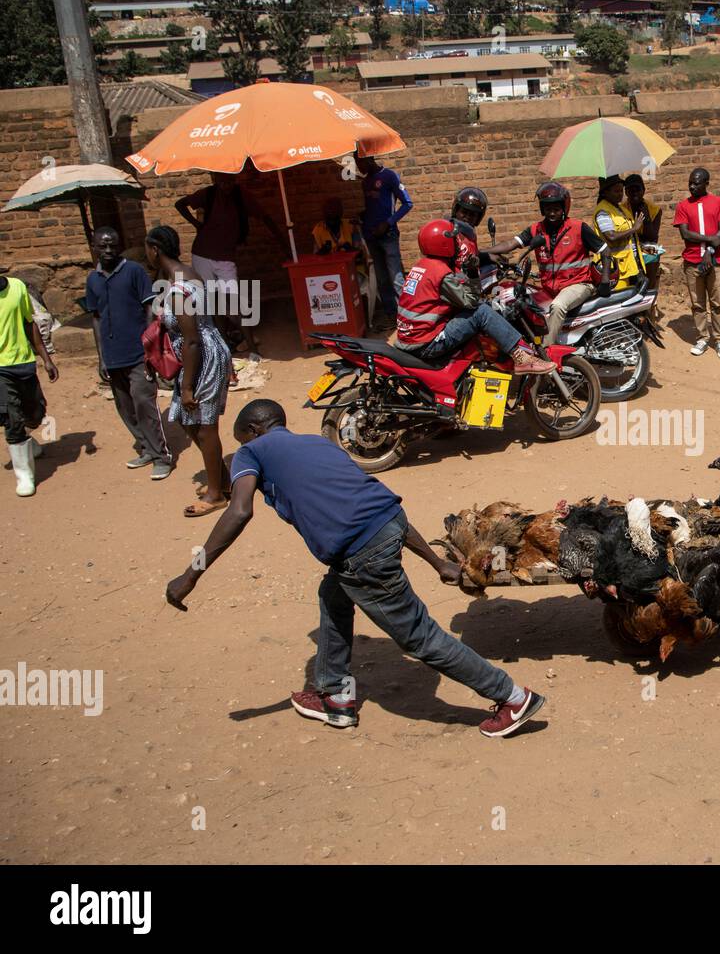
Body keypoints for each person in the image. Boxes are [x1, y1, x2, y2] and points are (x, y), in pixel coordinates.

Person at [164, 398, 547, 737]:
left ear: (253, 431)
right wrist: (434, 563)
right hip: (390, 524)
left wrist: (192, 573)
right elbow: (375, 503)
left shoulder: (253, 452)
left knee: (419, 637)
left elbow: (239, 510)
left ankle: (512, 697)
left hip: (361, 553)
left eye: (244, 440)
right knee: (334, 594)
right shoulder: (315, 443)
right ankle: (335, 697)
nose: (245, 448)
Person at [145, 225, 233, 518]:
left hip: (201, 357)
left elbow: (192, 339)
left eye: (147, 248)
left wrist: (186, 387)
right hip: (206, 351)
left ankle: (216, 494)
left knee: (205, 427)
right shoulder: (188, 273)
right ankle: (221, 479)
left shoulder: (178, 288)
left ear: (155, 250)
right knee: (186, 419)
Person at [395, 219, 555, 374]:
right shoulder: (441, 273)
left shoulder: (421, 266)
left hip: (408, 338)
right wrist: (473, 274)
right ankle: (521, 357)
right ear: (444, 244)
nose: (458, 243)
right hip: (425, 344)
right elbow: (471, 302)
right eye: (454, 240)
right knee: (482, 312)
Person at [85, 227, 173, 480]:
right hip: (112, 356)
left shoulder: (134, 271)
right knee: (124, 406)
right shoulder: (93, 279)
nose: (109, 250)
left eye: (113, 244)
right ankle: (145, 447)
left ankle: (161, 457)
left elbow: (150, 309)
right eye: (103, 246)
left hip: (137, 353)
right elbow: (96, 318)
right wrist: (101, 357)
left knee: (143, 401)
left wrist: (149, 345)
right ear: (94, 247)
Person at [483, 181, 611, 345]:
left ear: (564, 209)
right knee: (520, 304)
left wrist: (605, 280)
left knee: (557, 306)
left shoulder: (579, 228)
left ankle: (548, 353)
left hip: (579, 284)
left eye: (556, 209)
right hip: (549, 288)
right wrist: (480, 252)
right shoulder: (536, 229)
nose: (552, 213)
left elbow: (605, 250)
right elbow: (509, 245)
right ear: (542, 209)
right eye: (548, 209)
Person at [175, 171, 289, 354]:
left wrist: (284, 244)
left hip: (226, 259)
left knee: (235, 303)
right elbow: (179, 204)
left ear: (234, 180)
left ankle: (252, 349)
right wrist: (196, 224)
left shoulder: (241, 195)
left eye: (229, 181)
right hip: (203, 254)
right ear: (216, 180)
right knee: (214, 303)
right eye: (222, 181)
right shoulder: (208, 194)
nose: (226, 185)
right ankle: (225, 348)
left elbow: (265, 217)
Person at [0, 271, 57, 497]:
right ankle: (24, 475)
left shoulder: (17, 288)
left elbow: (29, 322)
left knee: (36, 412)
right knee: (11, 416)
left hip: (23, 362)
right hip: (1, 369)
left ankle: (26, 441)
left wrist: (46, 357)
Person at [674, 168, 720, 359]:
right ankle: (702, 337)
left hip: (716, 262)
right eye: (690, 182)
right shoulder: (683, 206)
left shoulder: (719, 203)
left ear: (706, 183)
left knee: (718, 303)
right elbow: (685, 233)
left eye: (696, 183)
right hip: (692, 263)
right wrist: (709, 240)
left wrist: (709, 252)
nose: (692, 186)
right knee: (697, 304)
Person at [356, 154, 413, 333]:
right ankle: (392, 317)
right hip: (371, 236)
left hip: (388, 235)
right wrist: (362, 217)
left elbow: (407, 203)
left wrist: (387, 223)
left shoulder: (389, 176)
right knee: (382, 280)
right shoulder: (365, 182)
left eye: (360, 163)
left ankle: (408, 318)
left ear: (369, 159)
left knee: (396, 278)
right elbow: (373, 208)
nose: (359, 168)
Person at [593, 175, 646, 291]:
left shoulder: (621, 208)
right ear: (606, 192)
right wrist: (634, 228)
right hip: (615, 270)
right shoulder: (603, 212)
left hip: (630, 266)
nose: (620, 194)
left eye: (621, 190)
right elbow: (610, 236)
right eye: (616, 191)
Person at [623, 173, 663, 319]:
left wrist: (645, 219)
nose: (634, 193)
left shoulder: (654, 210)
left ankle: (649, 300)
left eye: (637, 189)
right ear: (625, 192)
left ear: (644, 190)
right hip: (628, 246)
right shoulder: (621, 209)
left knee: (654, 254)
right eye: (630, 190)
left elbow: (652, 236)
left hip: (647, 246)